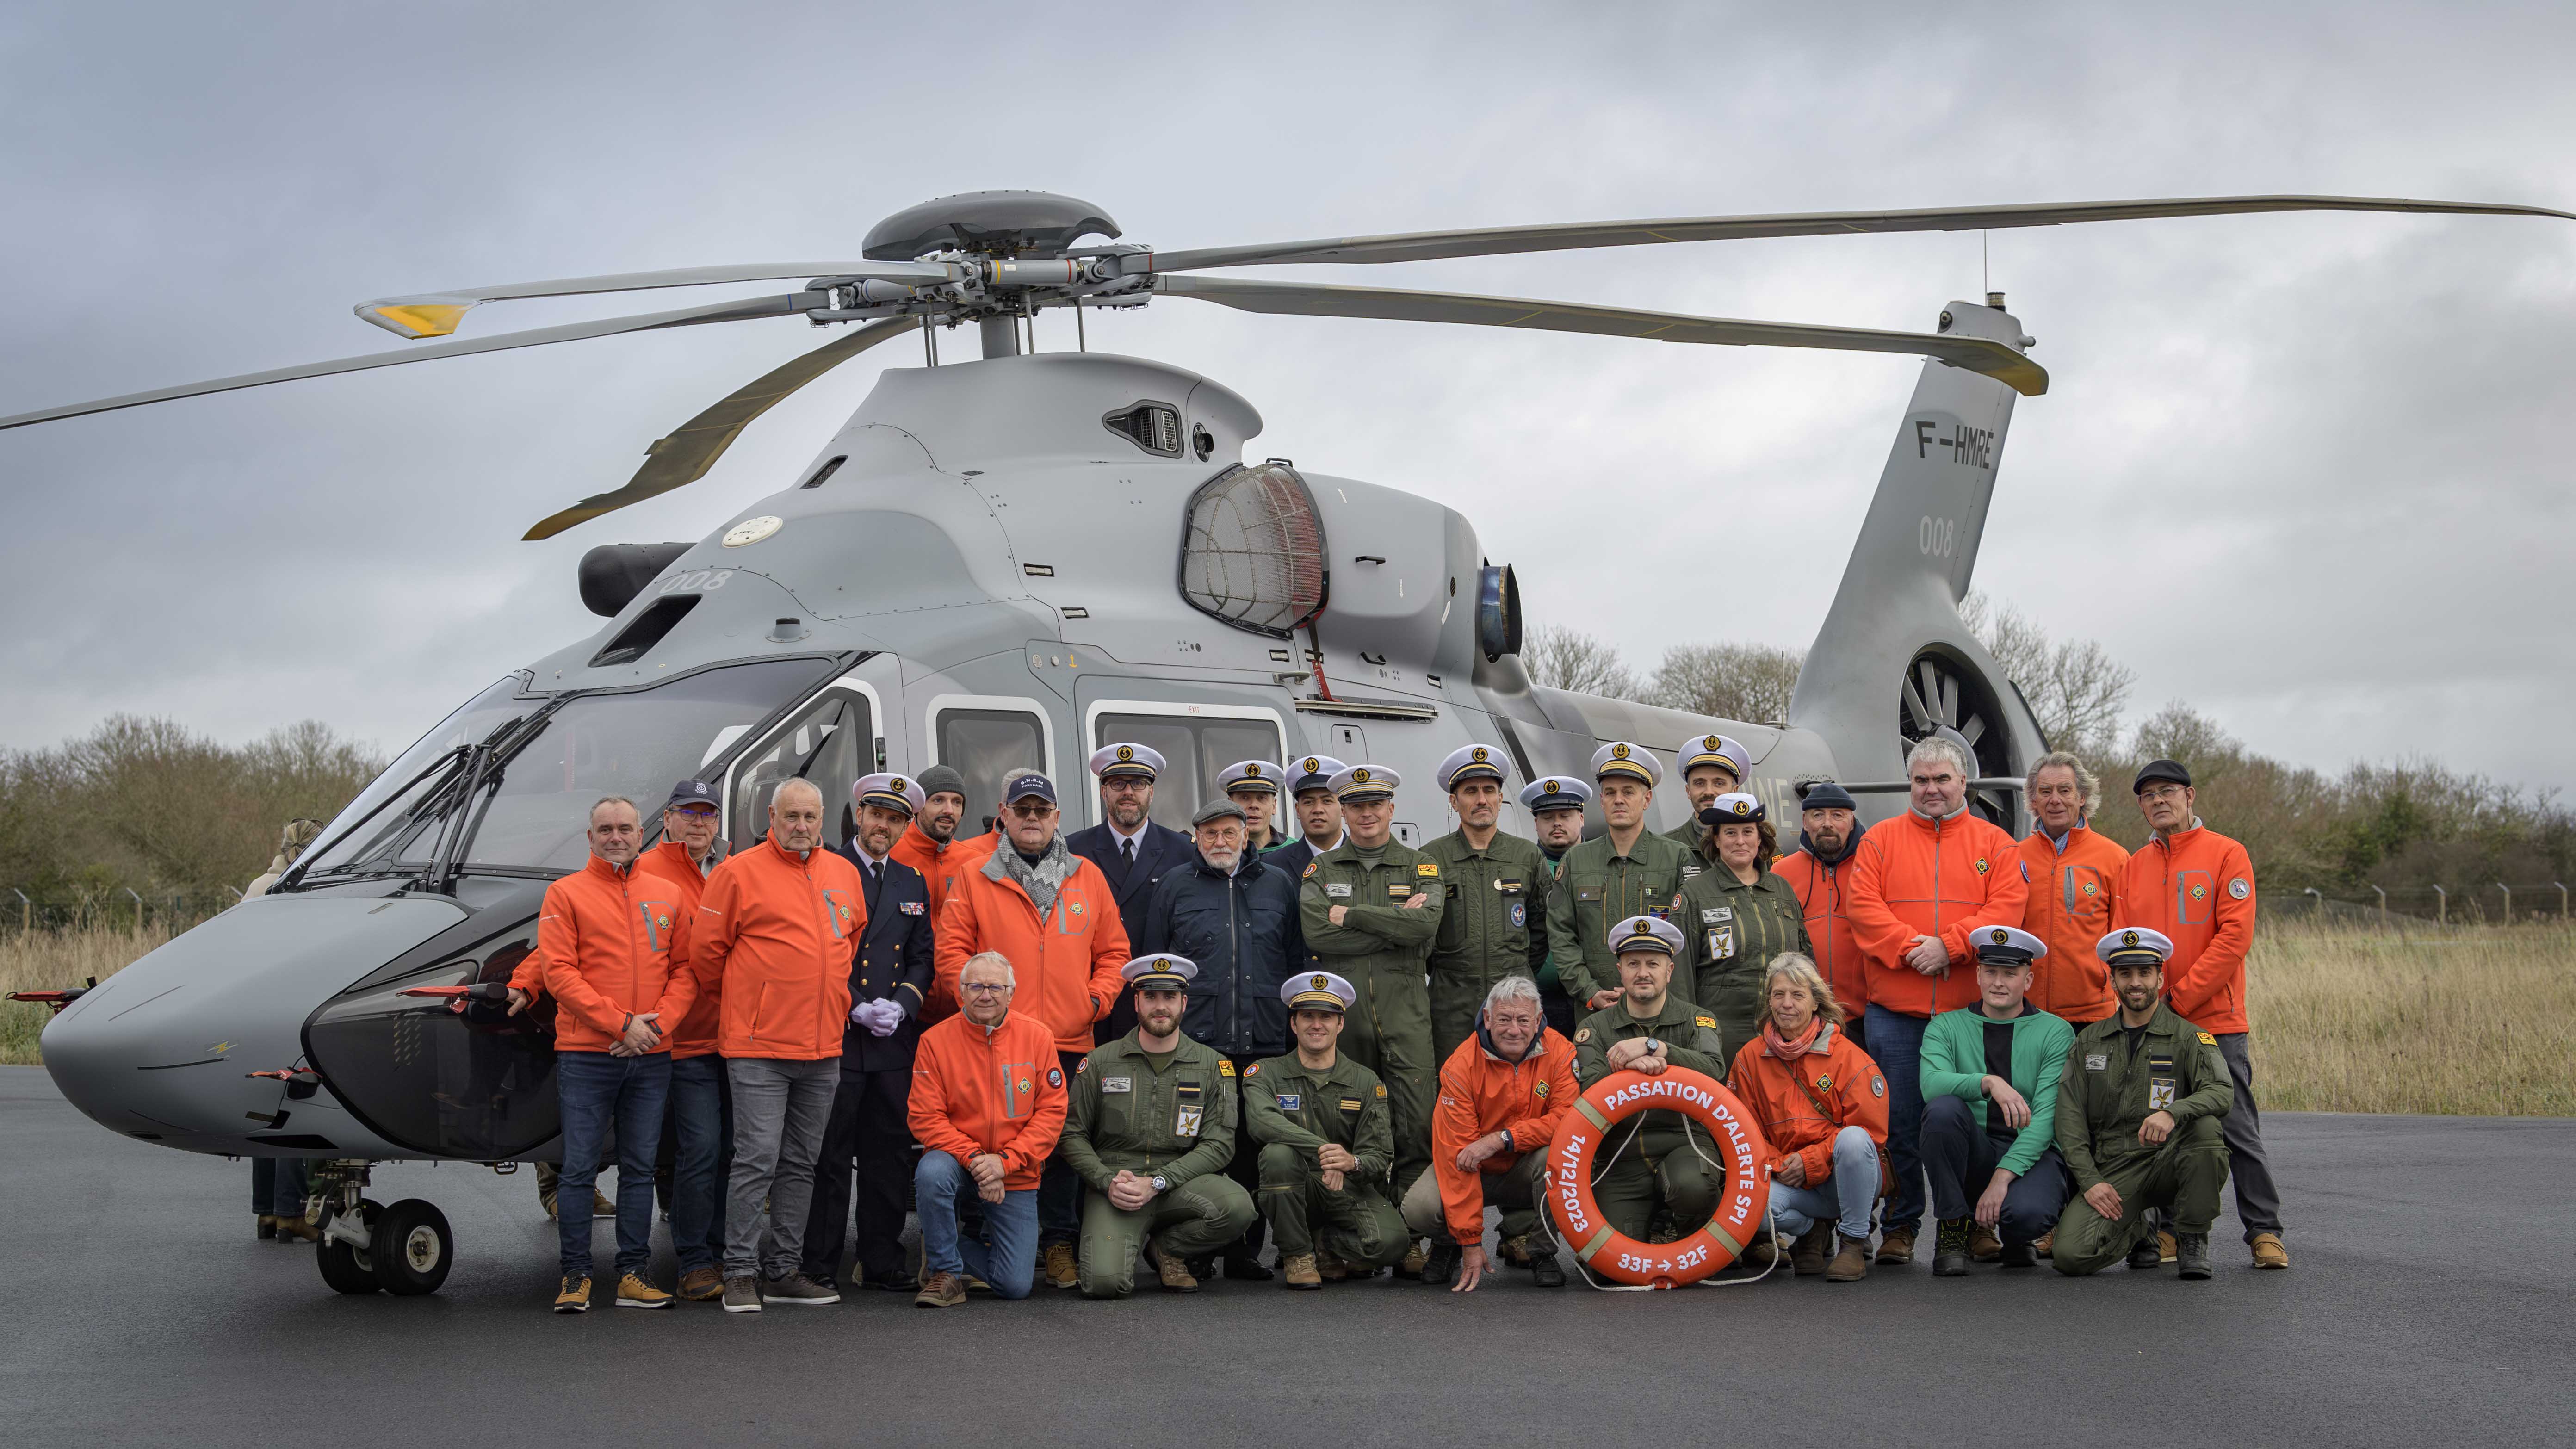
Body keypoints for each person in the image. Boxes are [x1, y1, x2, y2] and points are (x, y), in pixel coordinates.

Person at [935, 769, 1130, 1290]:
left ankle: (1059, 1242)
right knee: (986, 1130)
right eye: (1021, 810)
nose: (1032, 819)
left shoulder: (1086, 875)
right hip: (996, 1037)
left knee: (1065, 1142)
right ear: (1004, 815)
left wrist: (1094, 1001)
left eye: (1042, 811)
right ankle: (979, 1233)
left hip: (1068, 1036)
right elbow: (952, 953)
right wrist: (977, 1006)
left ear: (1057, 818)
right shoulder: (976, 876)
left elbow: (1114, 953)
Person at [1843, 737, 2028, 1266]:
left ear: (1963, 782)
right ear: (1911, 784)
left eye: (1942, 779)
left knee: (1968, 1125)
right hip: (1895, 1016)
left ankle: (1973, 1227)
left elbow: (2007, 909)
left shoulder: (1996, 844)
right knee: (1899, 1124)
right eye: (1922, 780)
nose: (1932, 790)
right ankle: (1901, 1226)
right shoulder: (1879, 841)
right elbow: (1863, 909)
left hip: (1968, 1018)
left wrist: (1949, 946)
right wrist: (1912, 950)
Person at [687, 777, 864, 1313]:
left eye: (811, 817)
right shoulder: (738, 873)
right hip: (758, 1048)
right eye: (792, 817)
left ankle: (783, 1271)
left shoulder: (843, 873)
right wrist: (754, 1003)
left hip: (823, 1049)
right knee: (756, 1161)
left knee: (800, 1164)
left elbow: (849, 943)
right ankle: (740, 1272)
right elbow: (706, 957)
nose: (802, 827)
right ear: (771, 815)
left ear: (824, 818)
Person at [2116, 759, 2287, 1270]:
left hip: (2216, 1024)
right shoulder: (2133, 866)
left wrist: (2180, 998)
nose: (2158, 801)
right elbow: (2125, 947)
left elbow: (2234, 937)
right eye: (2148, 796)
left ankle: (2264, 1232)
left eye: (2168, 791)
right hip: (2154, 1024)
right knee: (2160, 1125)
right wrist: (2143, 1006)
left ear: (2191, 797)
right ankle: (2170, 1232)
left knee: (2236, 1129)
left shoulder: (2227, 854)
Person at [535, 796, 689, 1313]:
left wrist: (655, 1026)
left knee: (641, 1169)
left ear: (641, 835)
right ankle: (576, 1276)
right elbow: (558, 973)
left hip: (652, 1054)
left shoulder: (667, 894)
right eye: (606, 829)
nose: (616, 836)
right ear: (591, 837)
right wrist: (621, 1023)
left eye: (625, 828)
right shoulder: (565, 894)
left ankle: (632, 1275)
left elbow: (686, 972)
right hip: (588, 1052)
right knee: (579, 1169)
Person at [1137, 797, 1301, 1282]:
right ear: (1197, 839)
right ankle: (1199, 1244)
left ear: (1246, 835)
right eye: (1209, 834)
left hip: (1264, 1040)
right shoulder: (1174, 887)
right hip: (1197, 1044)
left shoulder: (1279, 884)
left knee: (1254, 1143)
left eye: (1229, 833)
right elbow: (1154, 963)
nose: (1220, 842)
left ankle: (1246, 1250)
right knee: (1196, 1142)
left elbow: (1295, 962)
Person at [1296, 763, 1445, 1276]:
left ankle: (1408, 1236)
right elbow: (1318, 937)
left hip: (1407, 1018)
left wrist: (1355, 916)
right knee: (1344, 1125)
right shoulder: (1323, 872)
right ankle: (1341, 1236)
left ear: (1391, 809)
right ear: (1344, 810)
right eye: (1356, 805)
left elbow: (1427, 925)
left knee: (1414, 1126)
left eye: (1375, 804)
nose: (1366, 814)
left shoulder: (1419, 866)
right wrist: (1396, 925)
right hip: (1348, 1021)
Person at [1056, 954, 1260, 1297]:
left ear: (1184, 1002)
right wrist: (1107, 1182)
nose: (1160, 1007)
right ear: (1136, 1002)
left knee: (1239, 1208)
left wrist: (1159, 1181)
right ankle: (1126, 1241)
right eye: (1151, 997)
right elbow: (1072, 1135)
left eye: (1169, 997)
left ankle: (1168, 1250)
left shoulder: (1215, 1066)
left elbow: (1220, 1144)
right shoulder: (1100, 1062)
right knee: (1104, 1285)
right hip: (1118, 1186)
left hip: (1179, 1182)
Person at [802, 774, 936, 1294]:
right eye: (877, 815)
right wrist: (855, 1006)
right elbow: (818, 951)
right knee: (829, 1156)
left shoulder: (911, 881)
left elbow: (923, 957)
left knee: (889, 1155)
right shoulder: (826, 870)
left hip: (891, 1041)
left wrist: (902, 1007)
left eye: (897, 818)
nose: (885, 826)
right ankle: (819, 1262)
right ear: (859, 815)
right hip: (836, 1032)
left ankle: (882, 1260)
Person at [2050, 928, 2234, 1281]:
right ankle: (2138, 1225)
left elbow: (2223, 1091)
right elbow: (2069, 1118)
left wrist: (2173, 1112)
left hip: (2169, 1160)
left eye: (2144, 973)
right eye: (2125, 974)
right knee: (2070, 1256)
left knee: (2206, 1128)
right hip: (2115, 1168)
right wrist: (2090, 1182)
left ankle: (2193, 1237)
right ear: (2113, 980)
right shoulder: (2090, 1040)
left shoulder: (2189, 1038)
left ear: (2160, 977)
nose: (2136, 983)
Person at [908, 952, 1069, 1306]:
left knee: (1014, 1287)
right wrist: (980, 1161)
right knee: (931, 1172)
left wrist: (1005, 1163)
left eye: (996, 987)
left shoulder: (1039, 1038)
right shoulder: (935, 1041)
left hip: (1015, 1172)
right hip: (959, 1162)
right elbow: (925, 1117)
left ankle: (941, 1241)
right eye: (976, 986)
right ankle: (946, 1273)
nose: (986, 995)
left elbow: (1052, 1114)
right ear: (961, 991)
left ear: (1012, 993)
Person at [1918, 926, 2075, 1275]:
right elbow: (1931, 1086)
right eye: (1991, 972)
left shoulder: (2056, 1031)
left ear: (2029, 979)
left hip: (2032, 1152)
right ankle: (1953, 1229)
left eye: (2011, 973)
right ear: (1978, 974)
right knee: (1942, 1110)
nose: (1999, 983)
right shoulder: (1945, 1027)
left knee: (2027, 1216)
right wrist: (1988, 1082)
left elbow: (2048, 1119)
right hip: (1976, 1151)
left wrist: (2001, 1179)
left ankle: (2019, 1236)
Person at [1242, 972, 1412, 1288]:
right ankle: (1298, 1255)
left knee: (1392, 1245)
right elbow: (1263, 1123)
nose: (1316, 1025)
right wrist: (1326, 1152)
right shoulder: (1266, 1073)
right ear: (1294, 1024)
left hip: (1344, 1187)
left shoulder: (1365, 1081)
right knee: (1277, 1155)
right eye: (1307, 1016)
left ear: (1341, 1024)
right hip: (1295, 1186)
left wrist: (1351, 1162)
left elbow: (1379, 1154)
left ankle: (1326, 1244)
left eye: (1326, 1017)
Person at [1404, 975, 1574, 1290]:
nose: (1514, 1030)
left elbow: (1567, 1120)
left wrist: (1503, 1139)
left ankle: (1543, 1251)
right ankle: (1448, 1243)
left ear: (1538, 1019)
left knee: (1560, 1156)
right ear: (1487, 1018)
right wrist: (1471, 1241)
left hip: (1524, 1167)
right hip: (1471, 1166)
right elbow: (1458, 1155)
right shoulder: (1460, 1067)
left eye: (1524, 1020)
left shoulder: (1561, 1052)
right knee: (1420, 1207)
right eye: (1504, 1019)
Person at [1726, 954, 1889, 1282]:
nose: (1787, 1004)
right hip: (1791, 1178)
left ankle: (1854, 1242)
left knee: (1854, 1140)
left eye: (1798, 995)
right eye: (1778, 994)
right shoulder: (1748, 1059)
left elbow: (1871, 1134)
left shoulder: (1849, 1056)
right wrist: (1783, 1164)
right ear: (1769, 1001)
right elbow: (1743, 1134)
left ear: (1816, 1003)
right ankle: (1812, 1229)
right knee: (1749, 1213)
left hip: (1845, 1179)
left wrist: (1810, 1161)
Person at [1572, 916, 1733, 1248]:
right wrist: (1632, 1068)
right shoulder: (1594, 1027)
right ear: (1620, 971)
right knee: (1609, 1263)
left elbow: (1715, 1070)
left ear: (1669, 971)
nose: (1643, 972)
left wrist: (1659, 1049)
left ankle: (1685, 1229)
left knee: (1693, 1188)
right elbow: (1589, 1091)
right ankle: (1650, 1223)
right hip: (1622, 1152)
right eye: (1633, 964)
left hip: (1682, 1141)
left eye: (1653, 964)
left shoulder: (1697, 1019)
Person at [638, 779, 730, 1300]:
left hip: (741, 1037)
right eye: (689, 812)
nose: (699, 822)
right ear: (668, 818)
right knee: (701, 1148)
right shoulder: (647, 870)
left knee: (736, 1152)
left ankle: (723, 1255)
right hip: (686, 1038)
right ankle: (695, 1261)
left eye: (708, 813)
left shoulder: (735, 868)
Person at [1422, 744, 1552, 1065]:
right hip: (1451, 1001)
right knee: (1454, 1082)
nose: (1481, 800)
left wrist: (1515, 971)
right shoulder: (1431, 858)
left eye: (1489, 791)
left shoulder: (1526, 856)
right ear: (1454, 802)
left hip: (1514, 1002)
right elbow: (1422, 933)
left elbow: (1544, 926)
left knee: (1517, 1082)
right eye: (1470, 791)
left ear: (1500, 798)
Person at [1545, 742, 1691, 1017]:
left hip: (1660, 1010)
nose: (1618, 800)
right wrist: (1588, 992)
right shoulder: (1576, 861)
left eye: (1628, 792)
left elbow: (1688, 938)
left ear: (1647, 800)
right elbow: (1562, 937)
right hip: (1595, 1012)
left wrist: (1653, 992)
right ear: (1601, 801)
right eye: (1610, 793)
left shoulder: (1676, 858)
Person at [1673, 792, 1814, 1062]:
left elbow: (1805, 961)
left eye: (1748, 832)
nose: (1740, 841)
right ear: (1716, 838)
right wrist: (1689, 1034)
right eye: (1730, 833)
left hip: (1782, 1030)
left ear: (1760, 838)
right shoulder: (1695, 893)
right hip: (1720, 1034)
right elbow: (1680, 977)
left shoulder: (1781, 889)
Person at [1068, 742, 1193, 1042]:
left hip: (1156, 1003)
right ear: (1104, 792)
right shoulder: (1072, 851)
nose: (1128, 792)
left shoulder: (1182, 852)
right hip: (1092, 1003)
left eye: (1138, 784)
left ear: (1152, 792)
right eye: (1118, 784)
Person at [244, 816, 322, 1241]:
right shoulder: (309, 887)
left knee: (265, 1107)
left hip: (253, 1007)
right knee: (297, 1104)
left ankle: (267, 1213)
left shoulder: (257, 886)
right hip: (292, 1006)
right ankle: (292, 1210)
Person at [2016, 751, 2124, 1026]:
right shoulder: (2012, 857)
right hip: (2025, 1011)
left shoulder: (2115, 858)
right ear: (2034, 800)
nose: (2055, 800)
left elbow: (2126, 937)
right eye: (2045, 791)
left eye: (2065, 790)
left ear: (2082, 797)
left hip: (2094, 1014)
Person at [1773, 780, 1869, 1047]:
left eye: (1837, 815)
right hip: (1801, 1018)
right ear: (1805, 822)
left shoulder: (1872, 867)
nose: (1827, 823)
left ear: (1851, 821)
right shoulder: (1781, 875)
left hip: (1865, 1018)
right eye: (1818, 815)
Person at [889, 764, 972, 1019]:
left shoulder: (974, 863)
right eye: (938, 800)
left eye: (957, 802)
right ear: (919, 807)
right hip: (900, 1009)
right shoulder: (891, 856)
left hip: (959, 1011)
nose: (949, 810)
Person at [1519, 774, 1593, 1035]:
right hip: (1535, 998)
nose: (1557, 823)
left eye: (1566, 815)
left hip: (1592, 997)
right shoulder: (1520, 867)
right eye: (1548, 817)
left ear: (1582, 818)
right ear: (1536, 823)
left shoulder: (1601, 865)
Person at [1665, 733, 1749, 879]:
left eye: (1719, 783)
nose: (1709, 792)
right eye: (1700, 783)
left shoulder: (1757, 848)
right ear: (1688, 791)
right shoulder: (1666, 849)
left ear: (1734, 791)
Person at [1263, 753, 1349, 879]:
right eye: (1309, 802)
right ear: (1298, 810)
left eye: (1327, 801)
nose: (1318, 810)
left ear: (1343, 808)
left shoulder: (1367, 859)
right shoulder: (1273, 865)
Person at [1217, 759, 1288, 852]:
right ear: (1230, 805)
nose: (1254, 805)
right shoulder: (1217, 853)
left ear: (1274, 807)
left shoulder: (1298, 851)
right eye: (1244, 798)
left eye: (1262, 798)